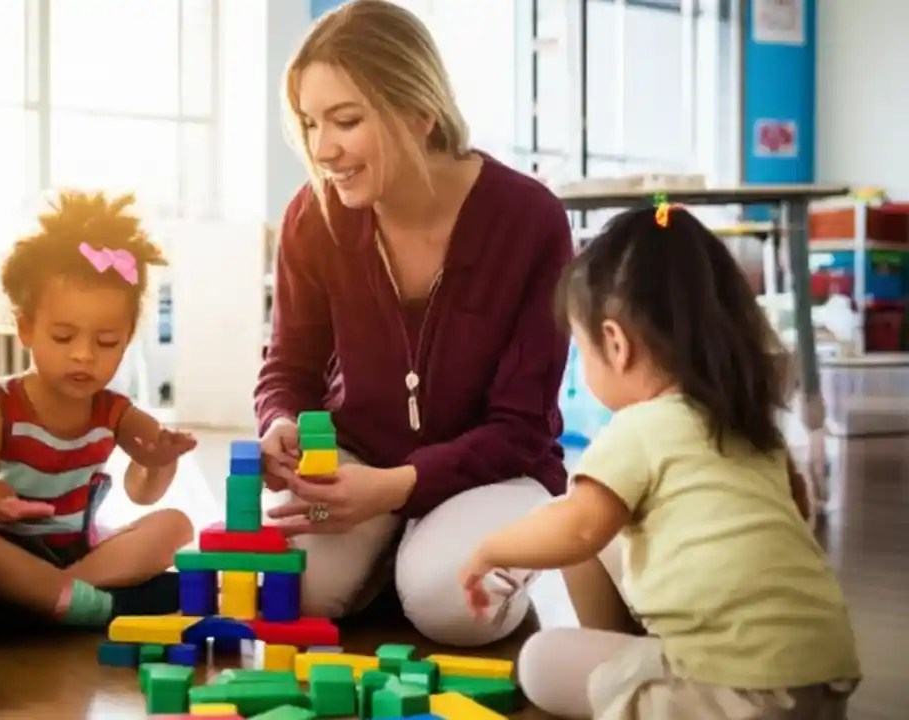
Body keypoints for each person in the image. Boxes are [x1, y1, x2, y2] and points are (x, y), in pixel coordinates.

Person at [460, 203, 861, 719]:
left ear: (615, 344)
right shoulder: (750, 425)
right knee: (602, 529)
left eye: (581, 350)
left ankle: (637, 683)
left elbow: (578, 529)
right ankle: (638, 663)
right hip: (822, 682)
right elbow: (797, 515)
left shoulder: (639, 428)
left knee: (540, 661)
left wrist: (490, 549)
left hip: (729, 695)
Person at [255, 0, 574, 647]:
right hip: (357, 463)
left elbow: (521, 426)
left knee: (450, 605)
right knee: (291, 590)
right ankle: (397, 550)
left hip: (495, 472)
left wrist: (400, 488)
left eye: (345, 121)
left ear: (419, 114)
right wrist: (280, 421)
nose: (321, 149)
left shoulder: (530, 220)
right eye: (311, 123)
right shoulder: (311, 218)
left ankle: (423, 555)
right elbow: (288, 368)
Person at [0, 190, 195, 641]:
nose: (83, 356)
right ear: (26, 328)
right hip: (4, 546)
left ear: (128, 337)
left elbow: (143, 493)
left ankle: (40, 608)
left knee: (176, 524)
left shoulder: (116, 412)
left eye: (106, 341)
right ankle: (101, 607)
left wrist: (160, 462)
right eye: (63, 336)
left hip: (73, 556)